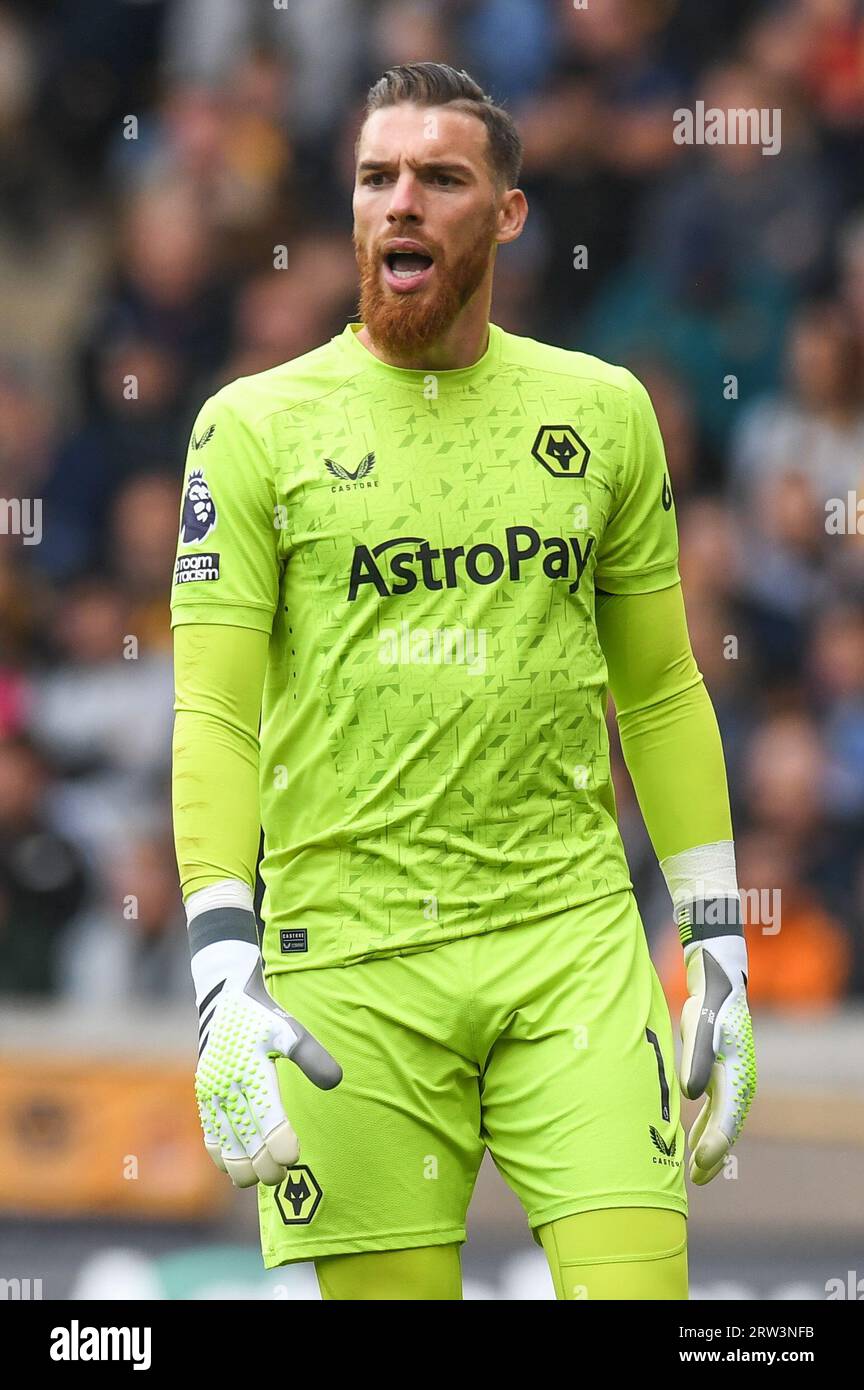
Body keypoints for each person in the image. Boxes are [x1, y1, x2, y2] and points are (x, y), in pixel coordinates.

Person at [170, 62, 756, 1302]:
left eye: (441, 179)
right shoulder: (253, 427)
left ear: (506, 214)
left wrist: (719, 944)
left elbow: (658, 689)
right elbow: (213, 712)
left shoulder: (603, 414)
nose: (402, 204)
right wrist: (221, 969)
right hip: (351, 965)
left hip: (571, 948)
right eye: (378, 178)